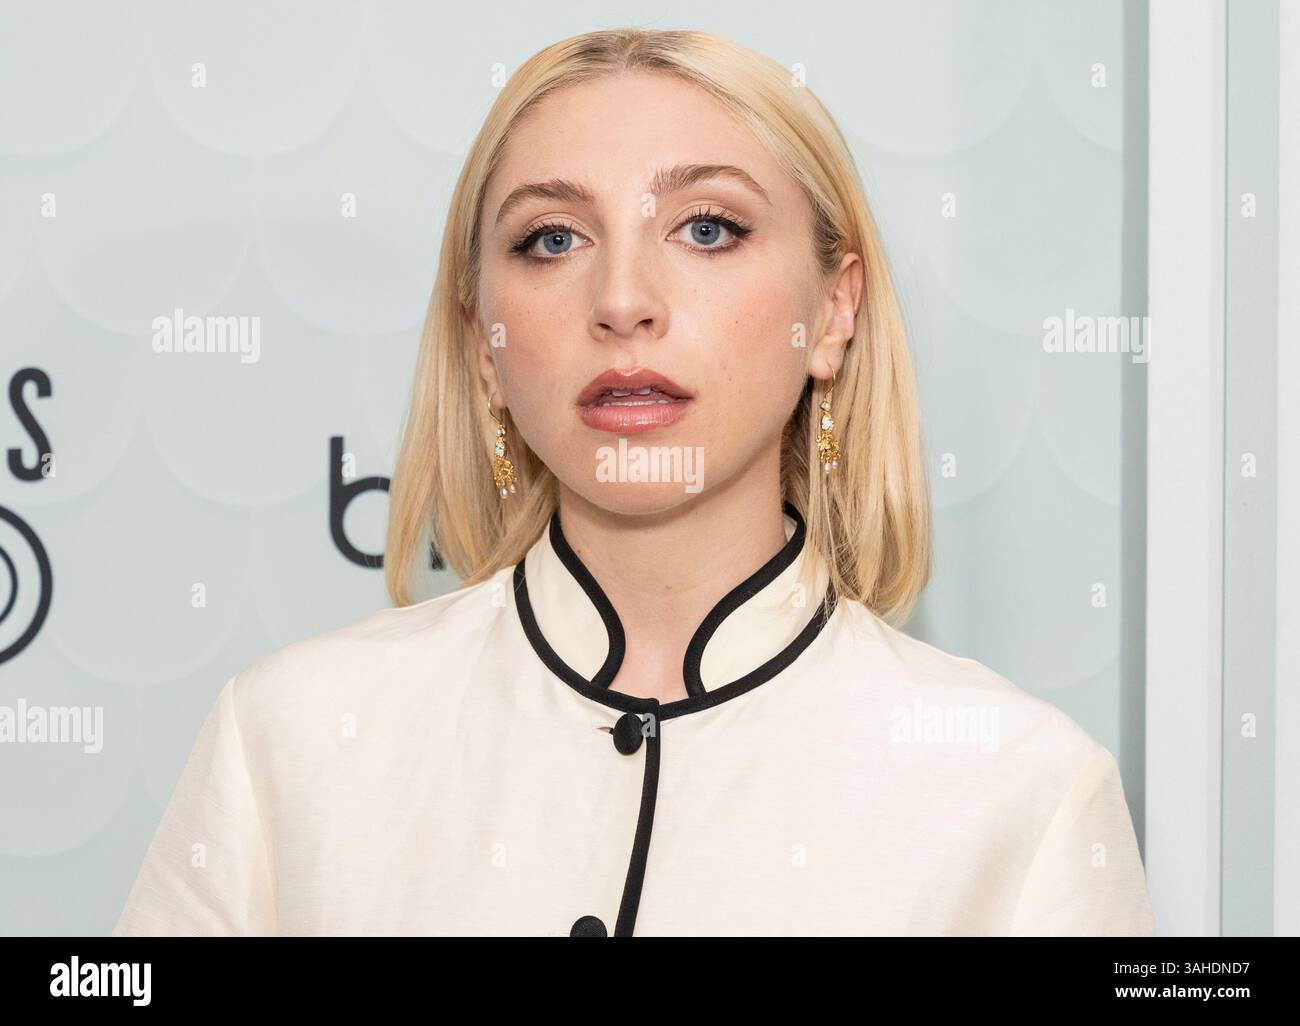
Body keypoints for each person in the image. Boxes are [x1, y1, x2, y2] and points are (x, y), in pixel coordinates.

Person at [112, 27, 1156, 937]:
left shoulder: (1023, 792)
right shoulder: (287, 738)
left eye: (707, 228)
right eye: (551, 239)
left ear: (832, 314)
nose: (621, 300)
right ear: (485, 340)